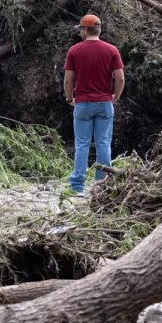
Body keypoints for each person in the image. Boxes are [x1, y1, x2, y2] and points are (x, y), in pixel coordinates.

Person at [63, 14, 125, 195]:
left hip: (82, 103)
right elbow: (120, 78)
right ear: (99, 30)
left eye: (80, 29)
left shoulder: (74, 51)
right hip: (104, 103)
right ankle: (103, 184)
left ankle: (77, 186)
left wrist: (69, 99)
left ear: (85, 30)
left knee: (82, 145)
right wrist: (116, 97)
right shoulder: (112, 50)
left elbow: (68, 80)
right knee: (104, 144)